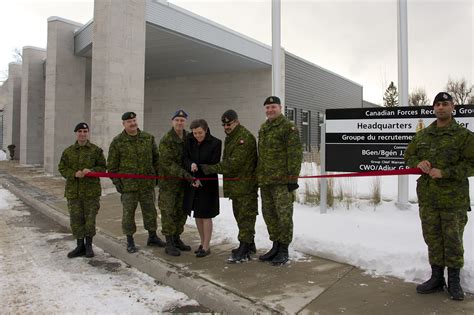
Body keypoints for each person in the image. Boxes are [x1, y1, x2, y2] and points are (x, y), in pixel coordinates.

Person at [405, 92, 474, 301]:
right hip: (429, 199)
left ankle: (454, 281)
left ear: (453, 107)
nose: (441, 107)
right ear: (433, 109)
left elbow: (472, 164)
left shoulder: (464, 136)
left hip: (453, 200)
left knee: (453, 240)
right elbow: (409, 155)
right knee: (433, 239)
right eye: (437, 104)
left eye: (445, 104)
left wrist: (446, 172)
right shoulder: (423, 135)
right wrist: (418, 163)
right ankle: (436, 278)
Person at [201, 110, 258, 263]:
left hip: (245, 187)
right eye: (224, 124)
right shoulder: (232, 138)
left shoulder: (243, 138)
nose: (226, 126)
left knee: (245, 216)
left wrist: (210, 168)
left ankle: (245, 248)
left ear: (236, 122)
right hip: (237, 187)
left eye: (229, 123)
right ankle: (249, 244)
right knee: (240, 216)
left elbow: (233, 164)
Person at [107, 112, 165, 253]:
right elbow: (112, 166)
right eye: (129, 121)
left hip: (146, 185)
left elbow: (156, 159)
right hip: (128, 187)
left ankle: (152, 237)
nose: (133, 123)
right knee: (128, 214)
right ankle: (130, 240)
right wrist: (117, 183)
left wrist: (156, 178)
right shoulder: (117, 142)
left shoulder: (148, 138)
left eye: (134, 120)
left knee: (150, 212)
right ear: (124, 124)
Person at [257, 96, 303, 266]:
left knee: (284, 216)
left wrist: (293, 179)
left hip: (282, 182)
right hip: (266, 181)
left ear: (280, 107)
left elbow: (295, 155)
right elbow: (262, 156)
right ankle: (275, 245)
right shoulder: (264, 128)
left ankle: (283, 249)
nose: (270, 110)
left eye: (273, 107)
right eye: (267, 107)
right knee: (269, 214)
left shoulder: (288, 127)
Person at [58, 122, 106, 258]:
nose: (82, 134)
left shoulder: (96, 150)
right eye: (80, 131)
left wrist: (91, 171)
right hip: (74, 192)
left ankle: (89, 246)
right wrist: (73, 174)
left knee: (90, 220)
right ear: (76, 133)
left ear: (88, 133)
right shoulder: (68, 151)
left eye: (85, 131)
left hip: (91, 192)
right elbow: (62, 168)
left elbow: (103, 168)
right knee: (76, 220)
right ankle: (80, 246)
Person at [158, 110, 194, 256]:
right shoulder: (166, 139)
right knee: (168, 212)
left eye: (182, 120)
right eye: (177, 120)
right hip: (169, 184)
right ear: (172, 121)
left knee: (181, 211)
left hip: (184, 184)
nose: (180, 123)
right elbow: (167, 163)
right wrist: (185, 174)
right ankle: (169, 242)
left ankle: (177, 238)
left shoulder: (188, 137)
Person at [183, 119, 222, 257]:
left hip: (207, 183)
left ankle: (206, 246)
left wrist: (199, 175)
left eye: (200, 133)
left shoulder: (216, 143)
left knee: (206, 215)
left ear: (206, 130)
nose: (197, 135)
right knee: (197, 215)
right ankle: (202, 242)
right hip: (193, 182)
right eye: (195, 133)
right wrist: (190, 165)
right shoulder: (190, 141)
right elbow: (185, 157)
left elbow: (213, 164)